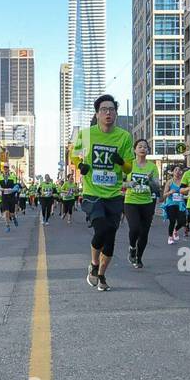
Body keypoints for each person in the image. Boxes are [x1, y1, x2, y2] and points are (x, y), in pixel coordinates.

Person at [73, 94, 135, 291]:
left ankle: (101, 275)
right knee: (101, 229)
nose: (108, 113)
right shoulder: (86, 134)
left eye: (111, 110)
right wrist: (80, 165)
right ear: (97, 114)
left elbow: (128, 168)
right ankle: (93, 263)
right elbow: (74, 155)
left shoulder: (124, 136)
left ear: (116, 113)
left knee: (110, 237)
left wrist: (120, 162)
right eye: (103, 110)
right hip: (93, 192)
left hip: (115, 194)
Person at [122, 138, 160, 270]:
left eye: (145, 147)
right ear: (135, 150)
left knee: (144, 233)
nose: (143, 148)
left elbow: (157, 186)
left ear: (148, 150)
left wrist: (150, 181)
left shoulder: (152, 166)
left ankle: (139, 258)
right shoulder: (128, 165)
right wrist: (128, 184)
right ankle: (132, 247)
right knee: (135, 228)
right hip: (131, 201)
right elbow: (118, 182)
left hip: (147, 202)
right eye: (140, 146)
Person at [162, 165, 187, 244]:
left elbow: (186, 192)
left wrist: (186, 193)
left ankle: (175, 230)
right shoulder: (169, 182)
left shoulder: (183, 182)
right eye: (175, 170)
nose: (177, 171)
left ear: (181, 172)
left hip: (180, 204)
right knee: (172, 221)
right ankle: (170, 237)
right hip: (171, 204)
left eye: (179, 170)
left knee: (182, 221)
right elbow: (164, 195)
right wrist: (170, 192)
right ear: (172, 172)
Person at [0, 166, 20, 232]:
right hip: (4, 197)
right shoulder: (0, 177)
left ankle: (14, 218)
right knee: (6, 212)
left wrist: (12, 190)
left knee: (11, 213)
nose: (5, 169)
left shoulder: (13, 176)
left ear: (8, 169)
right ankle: (7, 226)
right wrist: (0, 189)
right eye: (4, 168)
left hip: (11, 197)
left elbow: (17, 186)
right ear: (3, 169)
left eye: (6, 168)